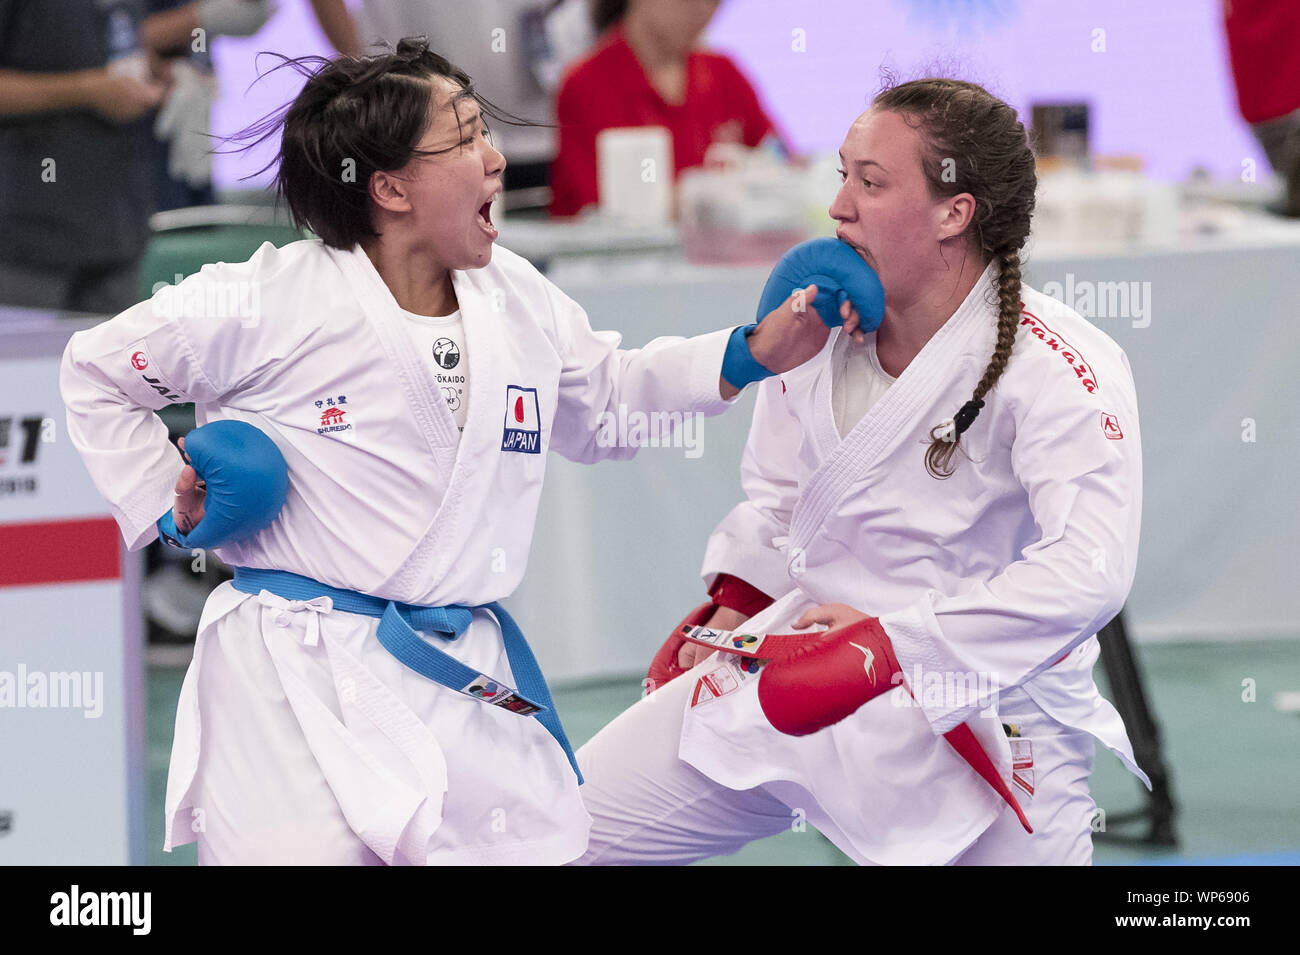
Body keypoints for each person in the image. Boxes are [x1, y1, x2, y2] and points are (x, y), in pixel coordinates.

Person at [58, 39, 830, 865]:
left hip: (457, 668)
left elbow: (607, 401)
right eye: (464, 139)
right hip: (294, 679)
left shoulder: (517, 297)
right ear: (388, 188)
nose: (496, 159)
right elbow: (94, 370)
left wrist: (751, 350)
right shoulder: (266, 300)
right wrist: (167, 505)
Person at [574, 78, 1151, 866]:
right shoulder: (816, 324)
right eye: (841, 174)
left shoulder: (1057, 366)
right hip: (804, 670)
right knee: (557, 832)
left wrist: (894, 643)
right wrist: (740, 593)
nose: (838, 205)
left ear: (956, 210)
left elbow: (1090, 572)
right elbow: (781, 501)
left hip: (979, 708)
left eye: (871, 182)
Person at [548, 0, 786, 217]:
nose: (702, 11)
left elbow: (781, 163)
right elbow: (609, 211)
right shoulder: (585, 84)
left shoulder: (725, 73)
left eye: (715, 2)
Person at [0, 0, 165, 313]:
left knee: (114, 358)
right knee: (23, 358)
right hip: (26, 242)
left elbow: (118, 46)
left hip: (119, 234)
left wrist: (166, 77)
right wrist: (86, 91)